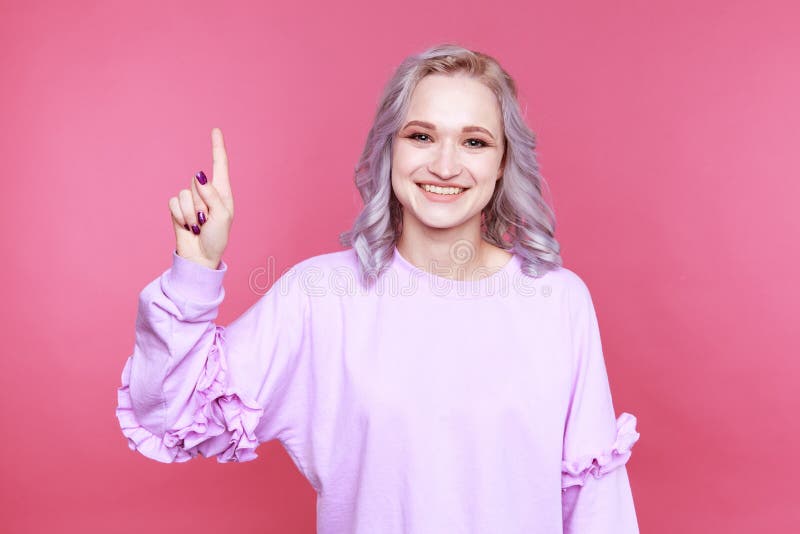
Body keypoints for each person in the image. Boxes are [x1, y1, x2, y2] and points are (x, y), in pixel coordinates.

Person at [115, 43, 641, 533]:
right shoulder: (321, 298)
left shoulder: (558, 302)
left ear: (502, 163)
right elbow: (170, 412)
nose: (445, 165)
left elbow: (597, 507)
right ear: (390, 147)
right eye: (421, 136)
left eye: (474, 142)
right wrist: (196, 270)